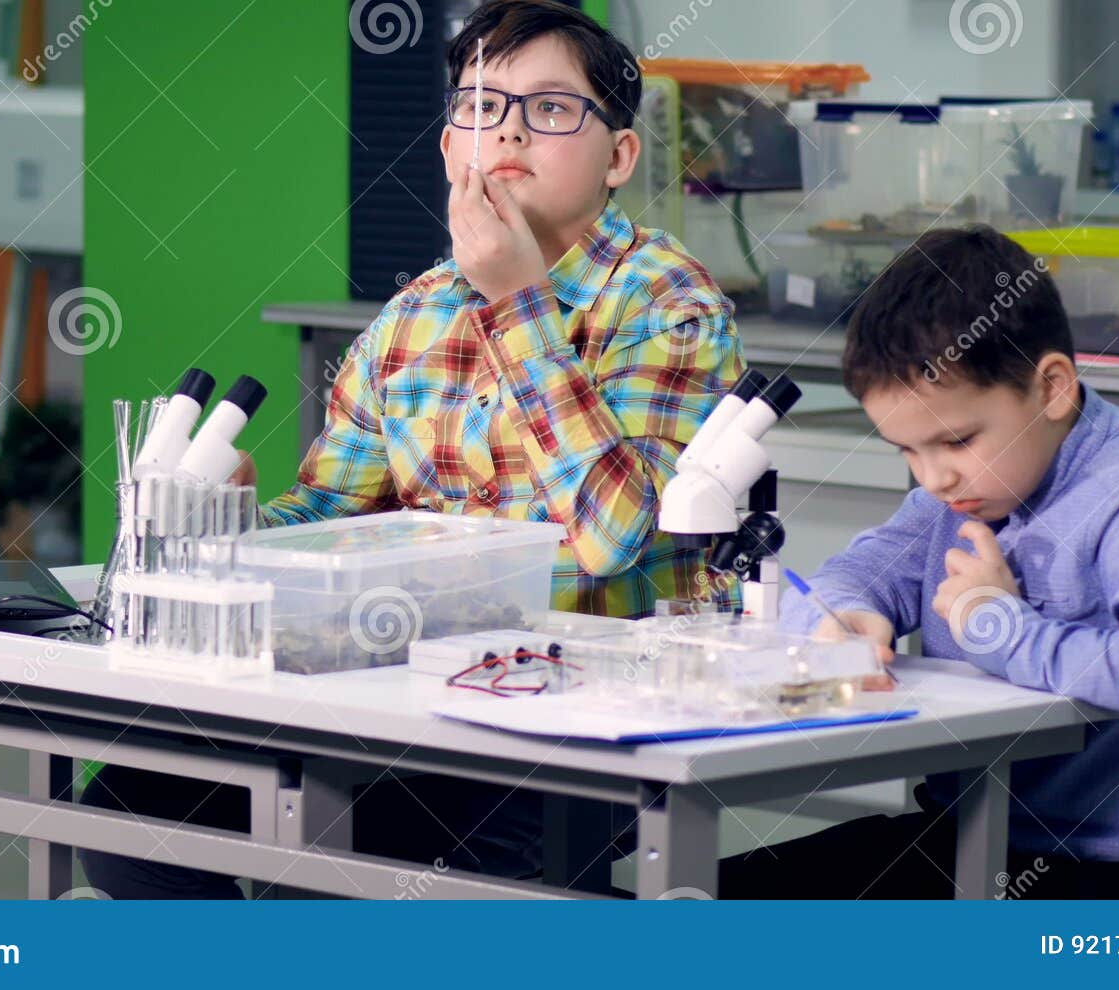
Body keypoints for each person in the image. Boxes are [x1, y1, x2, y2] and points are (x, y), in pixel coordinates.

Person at [80, 0, 745, 897]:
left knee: (326, 878)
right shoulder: (413, 314)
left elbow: (614, 537)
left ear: (619, 155)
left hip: (573, 721)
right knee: (129, 811)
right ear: (447, 146)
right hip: (396, 694)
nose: (507, 130)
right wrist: (233, 517)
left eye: (550, 109)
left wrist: (517, 303)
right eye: (479, 105)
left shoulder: (669, 302)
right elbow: (328, 518)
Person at [721, 225, 1119, 899]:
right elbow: (860, 572)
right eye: (907, 451)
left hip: (1108, 871)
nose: (932, 476)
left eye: (956, 440)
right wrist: (846, 618)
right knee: (713, 898)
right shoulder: (965, 487)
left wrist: (1000, 626)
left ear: (1052, 386)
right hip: (964, 834)